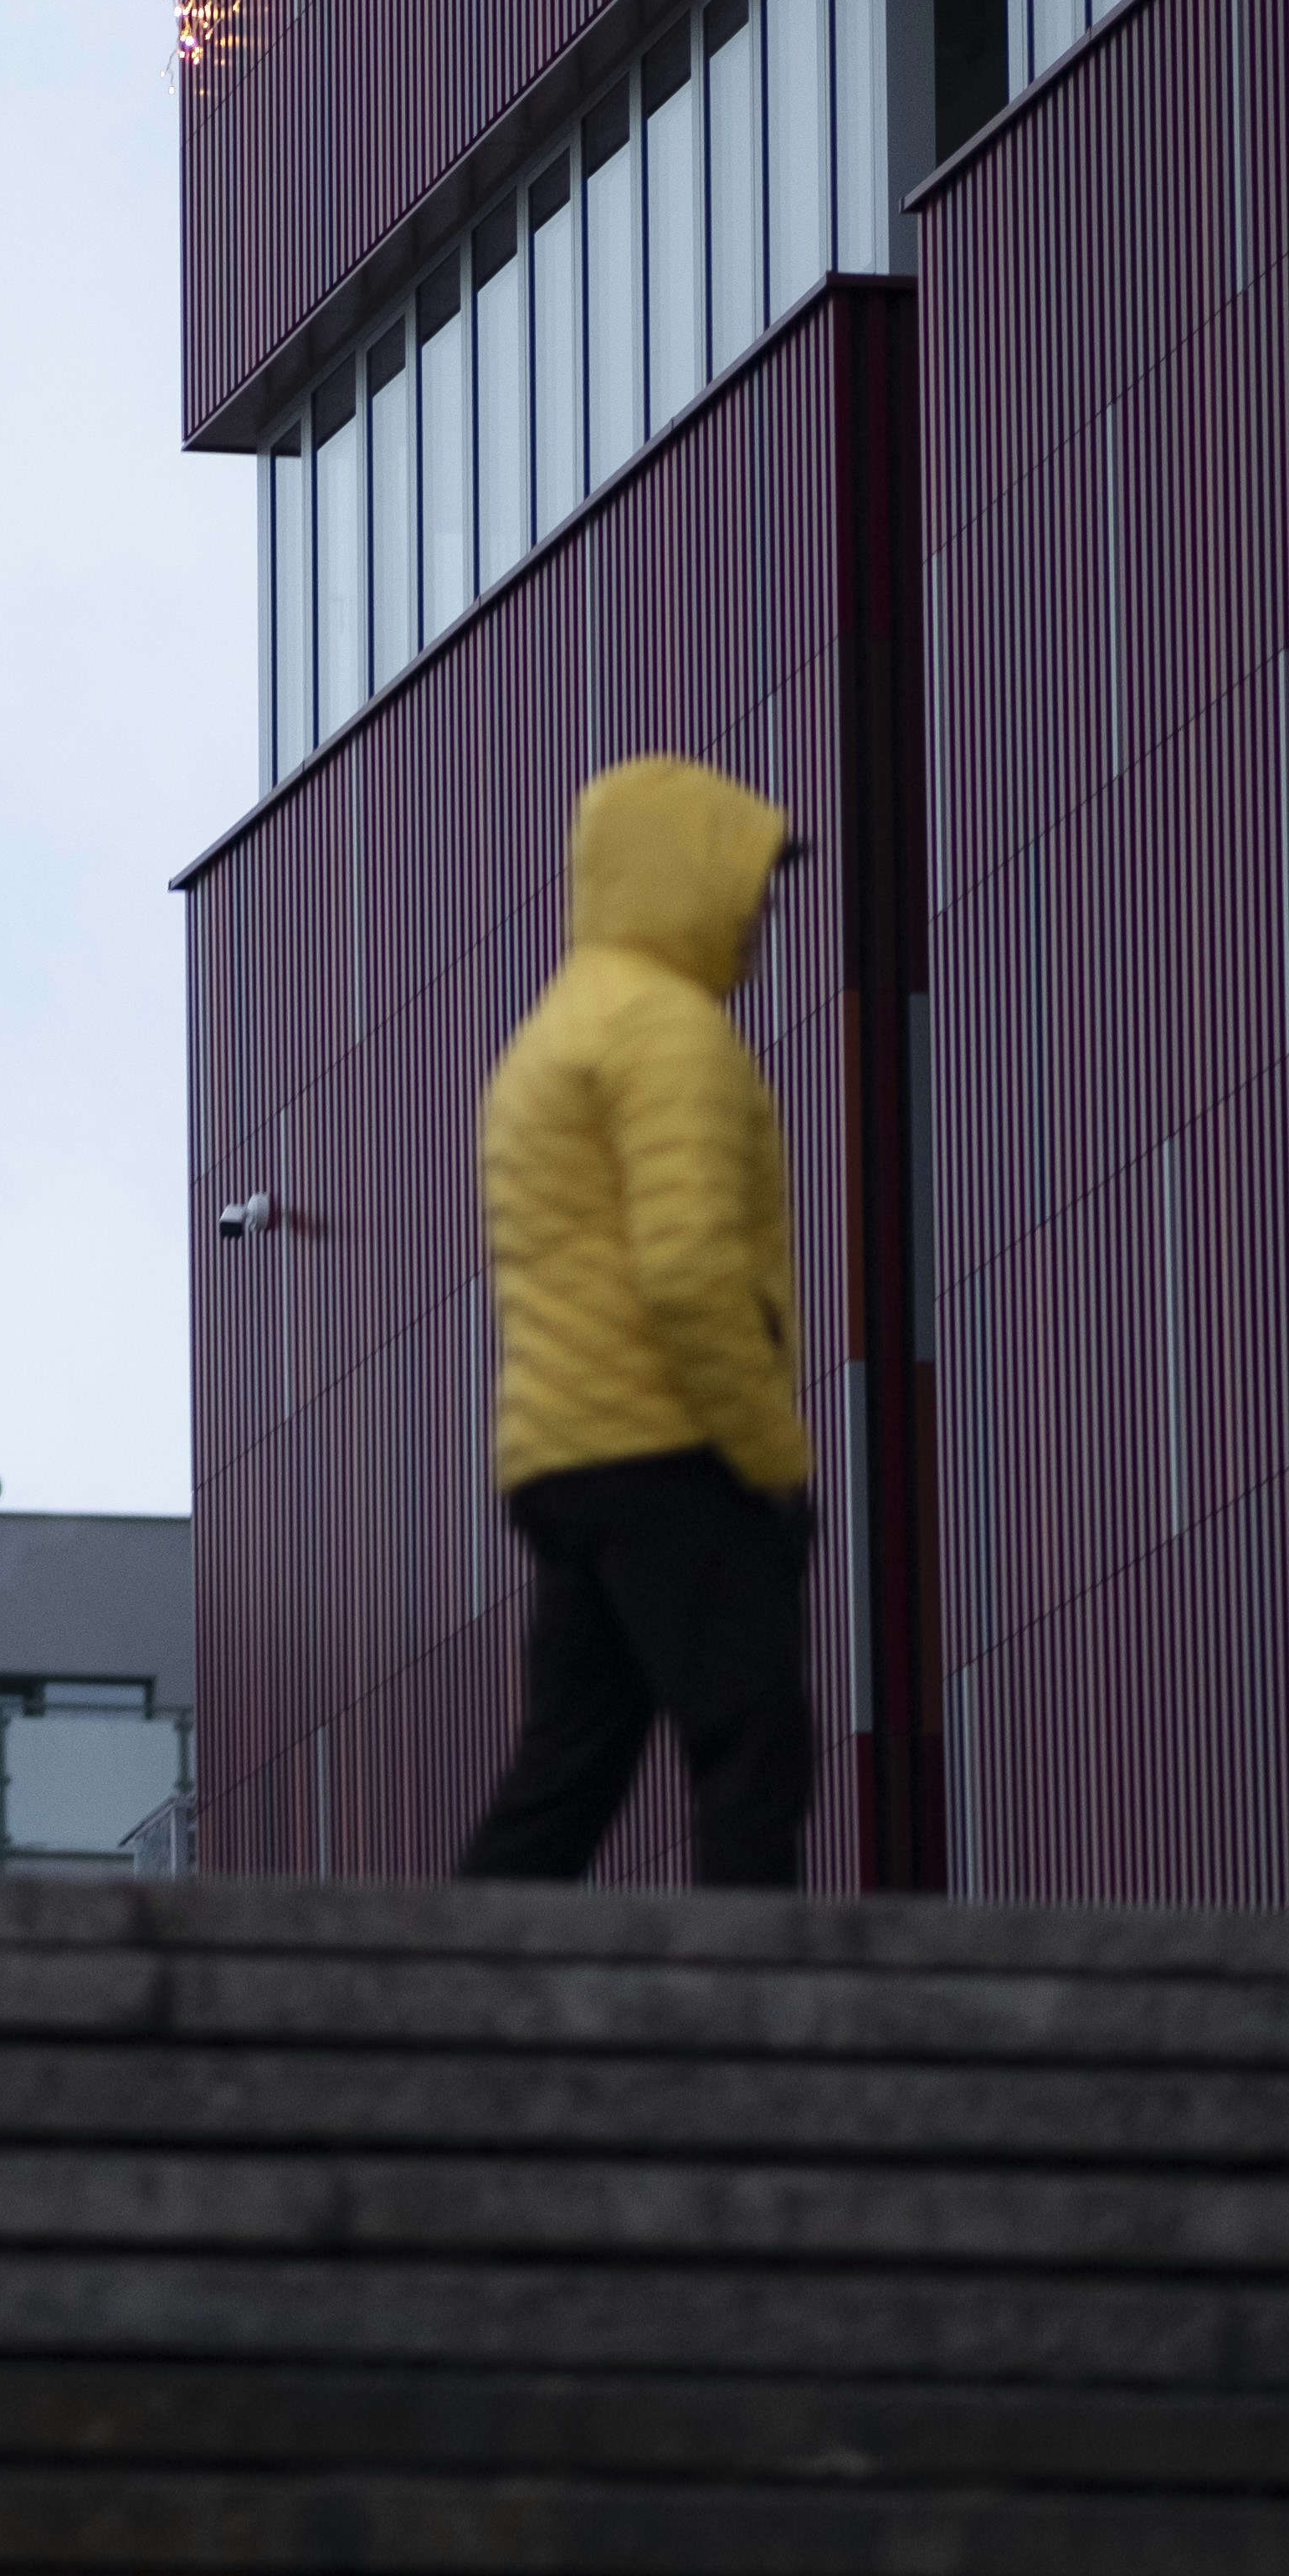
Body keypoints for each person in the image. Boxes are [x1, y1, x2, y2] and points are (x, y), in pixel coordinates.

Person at [456, 752, 821, 1889]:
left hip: (563, 1455)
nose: (766, 908)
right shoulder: (666, 1032)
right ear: (683, 876)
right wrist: (770, 1457)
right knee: (755, 1741)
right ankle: (745, 1991)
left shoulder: (549, 1034)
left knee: (567, 1770)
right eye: (750, 878)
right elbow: (689, 1269)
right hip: (667, 1440)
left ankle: (440, 1977)